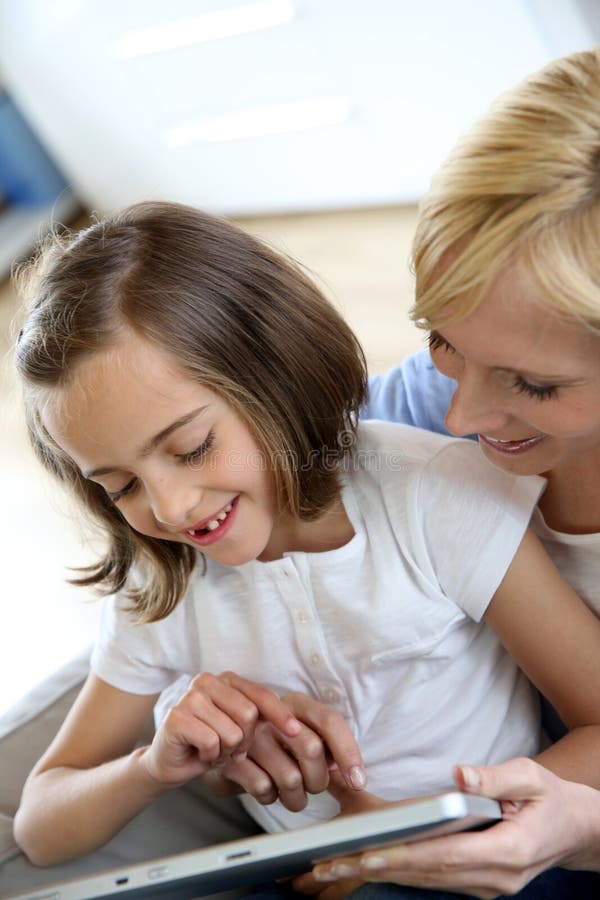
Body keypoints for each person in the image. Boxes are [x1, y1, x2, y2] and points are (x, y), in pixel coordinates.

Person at [10, 202, 600, 900]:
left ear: (276, 373)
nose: (170, 507)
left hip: (495, 867)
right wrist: (155, 764)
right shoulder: (162, 587)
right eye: (122, 484)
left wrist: (436, 840)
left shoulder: (432, 497)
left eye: (191, 448)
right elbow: (41, 827)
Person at [300, 46, 600, 900]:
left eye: (534, 385)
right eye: (443, 339)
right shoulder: (415, 410)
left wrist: (579, 826)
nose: (460, 419)